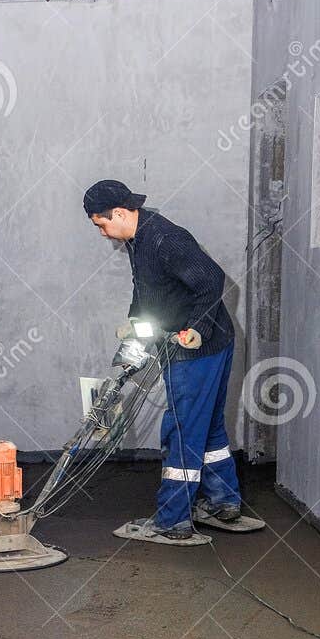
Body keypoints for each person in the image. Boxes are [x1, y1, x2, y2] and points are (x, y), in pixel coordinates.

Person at [83, 179, 254, 544]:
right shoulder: (137, 241)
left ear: (119, 212)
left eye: (102, 225)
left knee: (181, 429)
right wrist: (134, 320)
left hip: (196, 349)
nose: (102, 233)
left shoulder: (164, 239)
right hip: (209, 342)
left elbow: (212, 279)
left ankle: (172, 520)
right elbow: (146, 288)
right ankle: (224, 504)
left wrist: (196, 328)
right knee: (207, 427)